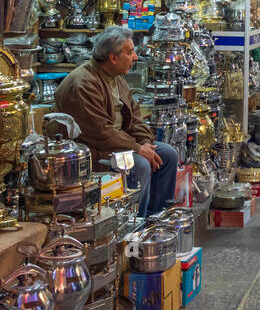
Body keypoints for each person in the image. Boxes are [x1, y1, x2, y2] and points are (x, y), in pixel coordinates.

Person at [54, 25, 177, 218]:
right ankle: (137, 224)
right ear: (113, 57)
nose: (135, 57)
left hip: (119, 144)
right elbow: (101, 131)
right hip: (94, 150)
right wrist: (137, 149)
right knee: (140, 164)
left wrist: (145, 142)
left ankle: (157, 217)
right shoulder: (84, 83)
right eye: (130, 52)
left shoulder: (116, 78)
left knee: (167, 154)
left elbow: (135, 117)